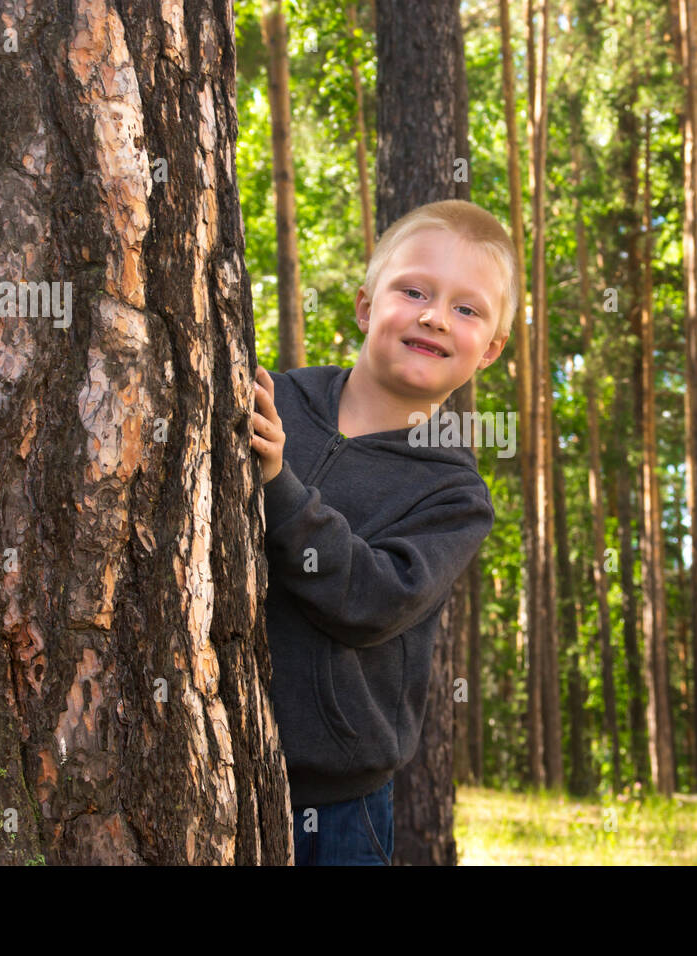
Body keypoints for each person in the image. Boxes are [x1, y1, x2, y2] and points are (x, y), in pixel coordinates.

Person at [250, 199, 516, 865]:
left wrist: (280, 485)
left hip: (337, 807)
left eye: (467, 308)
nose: (433, 315)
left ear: (491, 349)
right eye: (414, 291)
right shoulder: (271, 400)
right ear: (367, 307)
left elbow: (371, 602)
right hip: (214, 752)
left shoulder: (454, 496)